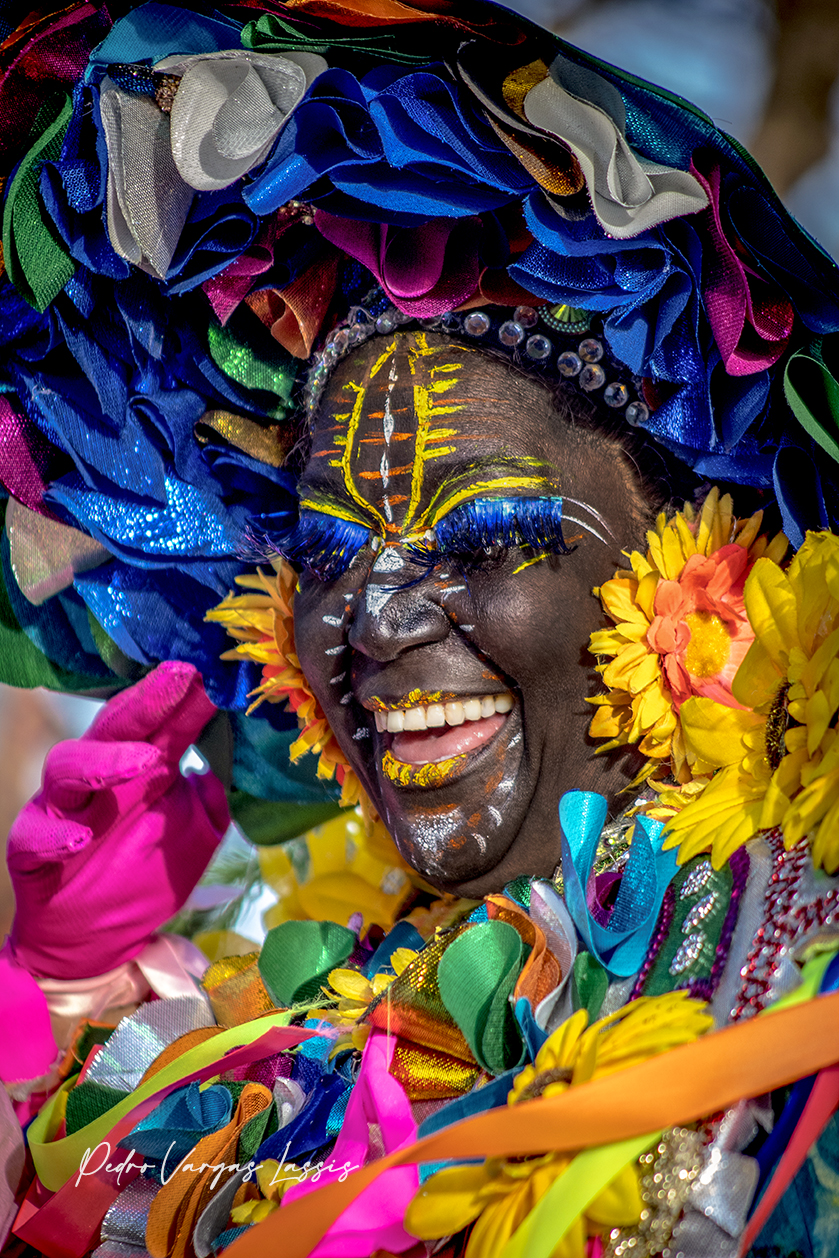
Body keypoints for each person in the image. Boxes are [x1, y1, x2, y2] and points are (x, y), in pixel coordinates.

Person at [2, 2, 839, 1256]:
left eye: (487, 536)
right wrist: (66, 1012)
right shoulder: (294, 995)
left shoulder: (803, 961)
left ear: (703, 566)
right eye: (326, 556)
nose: (377, 619)